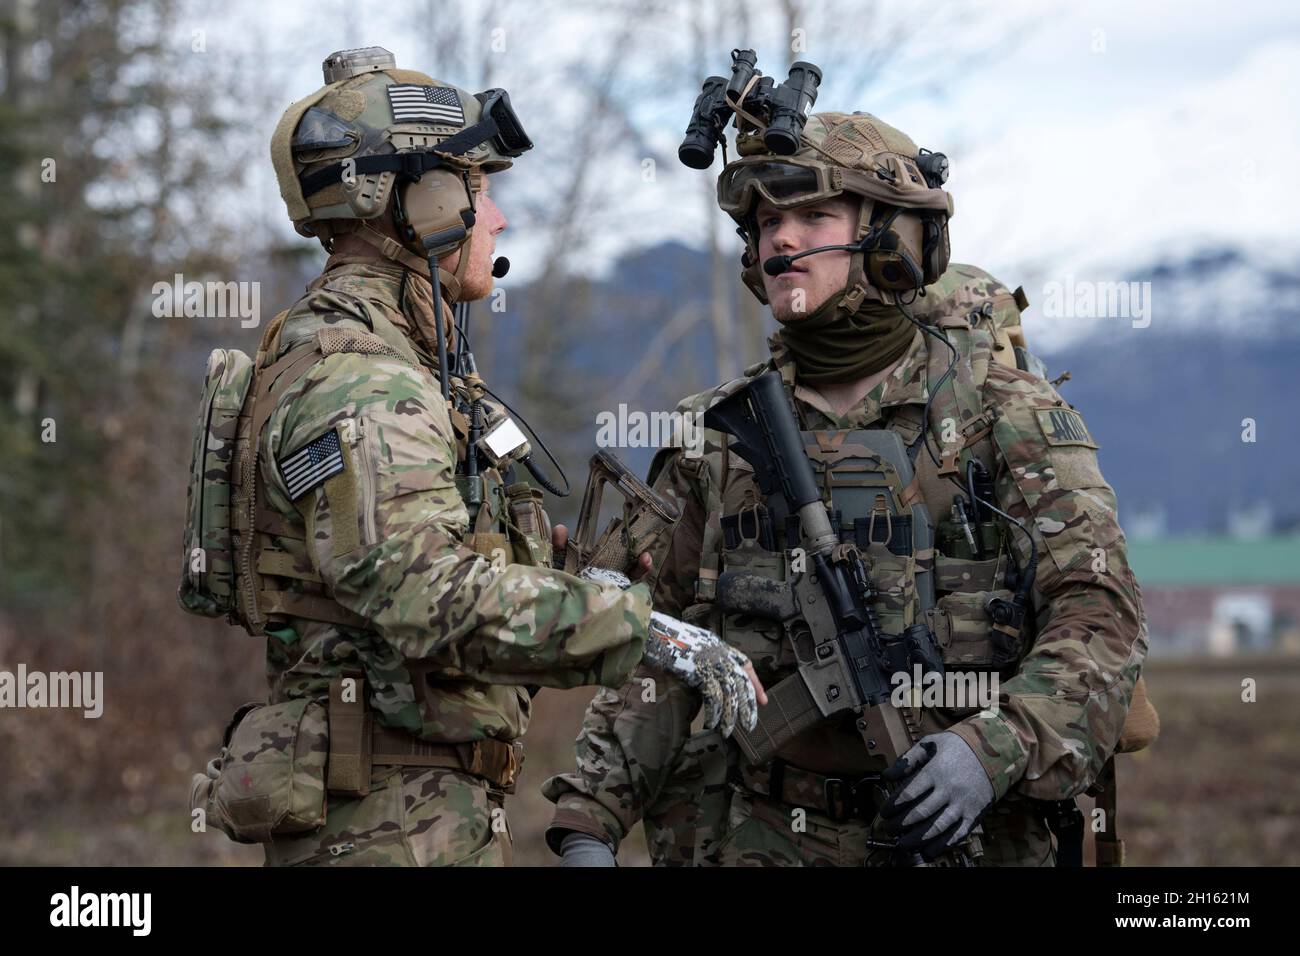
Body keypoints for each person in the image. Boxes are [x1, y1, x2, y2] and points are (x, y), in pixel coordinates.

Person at [185, 47, 758, 867]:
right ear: (420, 201)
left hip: (416, 813)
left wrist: (565, 574)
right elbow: (421, 592)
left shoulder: (402, 358)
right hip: (385, 826)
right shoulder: (364, 379)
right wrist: (648, 634)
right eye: (480, 189)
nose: (497, 219)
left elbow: (433, 558)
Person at [543, 110, 1149, 867]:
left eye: (813, 215)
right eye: (765, 223)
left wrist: (990, 749)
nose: (782, 240)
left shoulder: (1003, 414)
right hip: (761, 837)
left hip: (970, 835)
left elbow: (1101, 619)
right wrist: (589, 820)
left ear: (893, 239)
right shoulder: (719, 433)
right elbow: (660, 647)